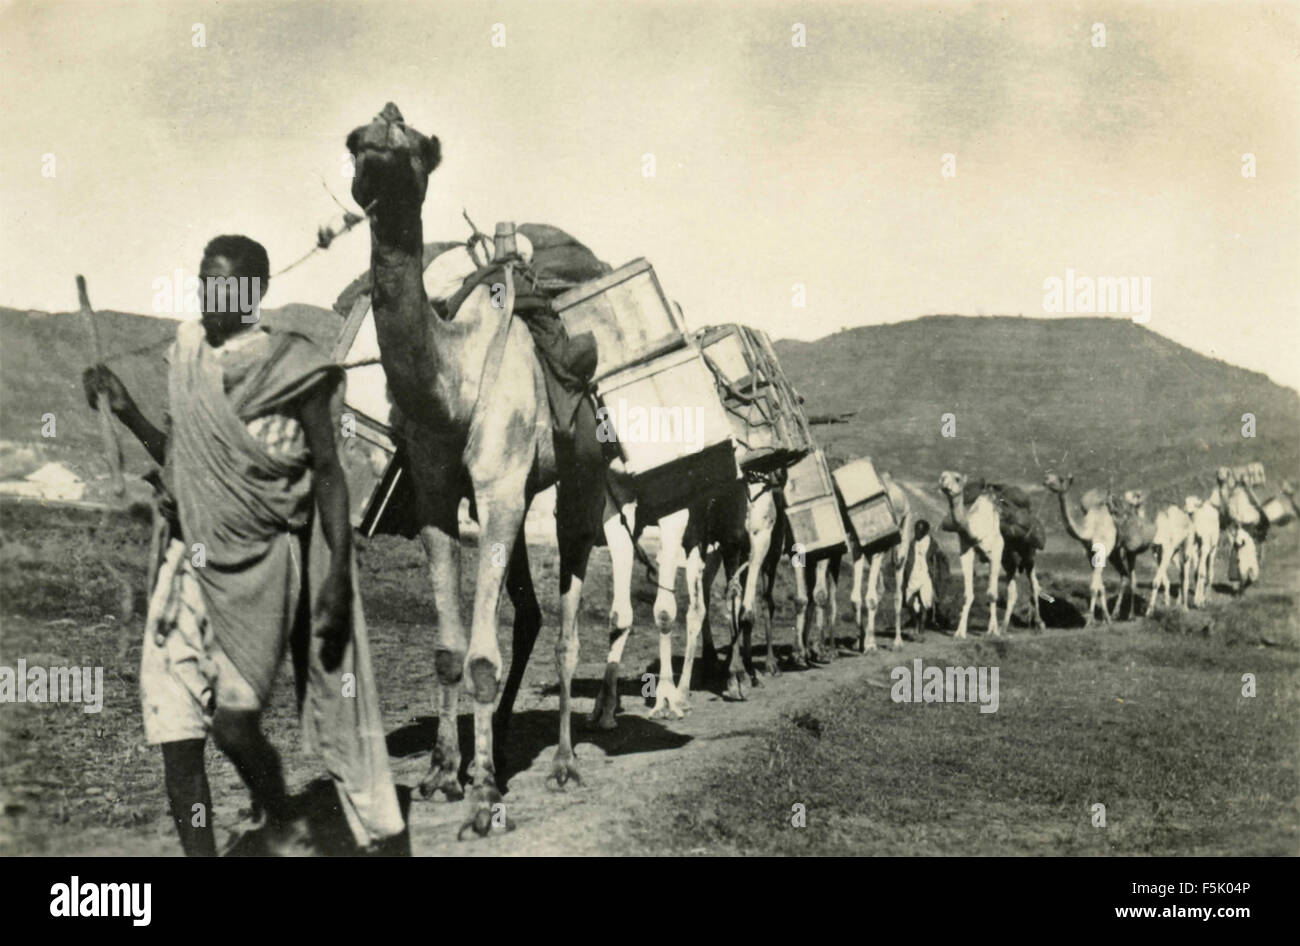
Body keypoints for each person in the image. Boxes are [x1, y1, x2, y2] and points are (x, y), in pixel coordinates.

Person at [85, 234, 401, 855]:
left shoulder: (295, 369)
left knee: (233, 725)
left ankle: (280, 810)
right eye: (204, 281)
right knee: (177, 739)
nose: (211, 295)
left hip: (262, 570)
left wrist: (338, 571)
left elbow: (330, 473)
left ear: (255, 292)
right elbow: (180, 461)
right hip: (186, 565)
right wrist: (126, 411)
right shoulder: (188, 356)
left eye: (226, 284)